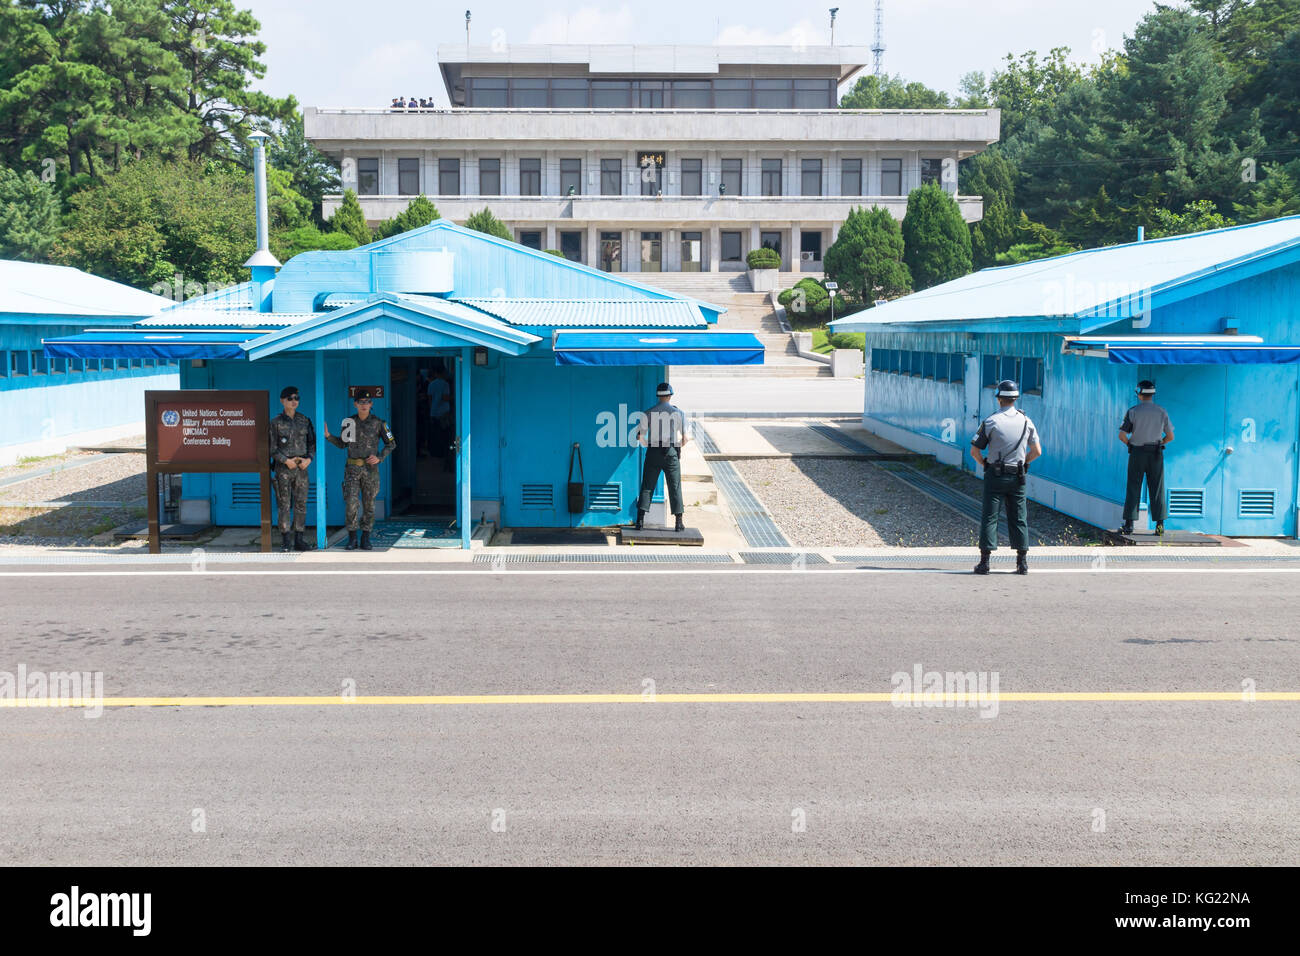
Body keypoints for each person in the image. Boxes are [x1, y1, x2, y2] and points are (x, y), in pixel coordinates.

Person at [970, 380, 1042, 575]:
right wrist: (1024, 463)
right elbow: (1037, 451)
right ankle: (1022, 563)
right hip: (1018, 475)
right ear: (1015, 398)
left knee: (990, 517)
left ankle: (985, 563)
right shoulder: (1027, 421)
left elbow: (974, 451)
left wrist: (984, 464)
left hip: (995, 474)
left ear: (999, 399)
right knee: (1019, 518)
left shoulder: (991, 421)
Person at [324, 389, 395, 551]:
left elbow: (391, 443)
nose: (364, 405)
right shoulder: (349, 422)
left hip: (370, 470)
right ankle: (352, 538)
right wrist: (328, 436)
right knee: (351, 503)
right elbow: (343, 444)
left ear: (371, 404)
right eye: (361, 402)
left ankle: (365, 537)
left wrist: (379, 457)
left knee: (369, 505)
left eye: (367, 402)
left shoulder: (379, 423)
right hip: (352, 470)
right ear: (355, 404)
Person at [1119, 379, 1174, 535]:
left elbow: (1122, 435)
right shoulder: (1161, 411)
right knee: (1157, 488)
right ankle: (1159, 526)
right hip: (1156, 453)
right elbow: (1170, 436)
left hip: (1137, 453)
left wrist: (1130, 444)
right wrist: (1161, 442)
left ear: (1139, 393)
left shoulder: (1133, 411)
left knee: (1133, 487)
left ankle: (1129, 525)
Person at [635, 382, 689, 532]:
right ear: (670, 395)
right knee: (675, 486)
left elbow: (640, 436)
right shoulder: (679, 413)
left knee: (647, 485)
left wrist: (648, 445)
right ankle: (678, 523)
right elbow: (685, 438)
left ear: (658, 396)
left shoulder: (648, 412)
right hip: (670, 451)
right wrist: (676, 447)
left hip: (653, 451)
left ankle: (640, 521)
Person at [268, 385, 316, 552]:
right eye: (290, 398)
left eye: (296, 398)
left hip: (301, 468)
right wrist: (284, 460)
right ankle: (286, 541)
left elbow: (312, 443)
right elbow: (271, 448)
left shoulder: (305, 420)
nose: (294, 401)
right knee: (284, 504)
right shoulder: (275, 422)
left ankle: (299, 539)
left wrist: (309, 459)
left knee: (301, 504)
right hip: (284, 470)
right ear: (282, 401)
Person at [427, 366, 451, 463]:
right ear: (443, 373)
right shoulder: (445, 384)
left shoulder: (431, 384)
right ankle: (443, 453)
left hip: (434, 412)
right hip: (444, 413)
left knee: (435, 434)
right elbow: (445, 398)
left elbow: (430, 399)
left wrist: (431, 410)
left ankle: (435, 453)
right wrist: (453, 397)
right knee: (444, 435)